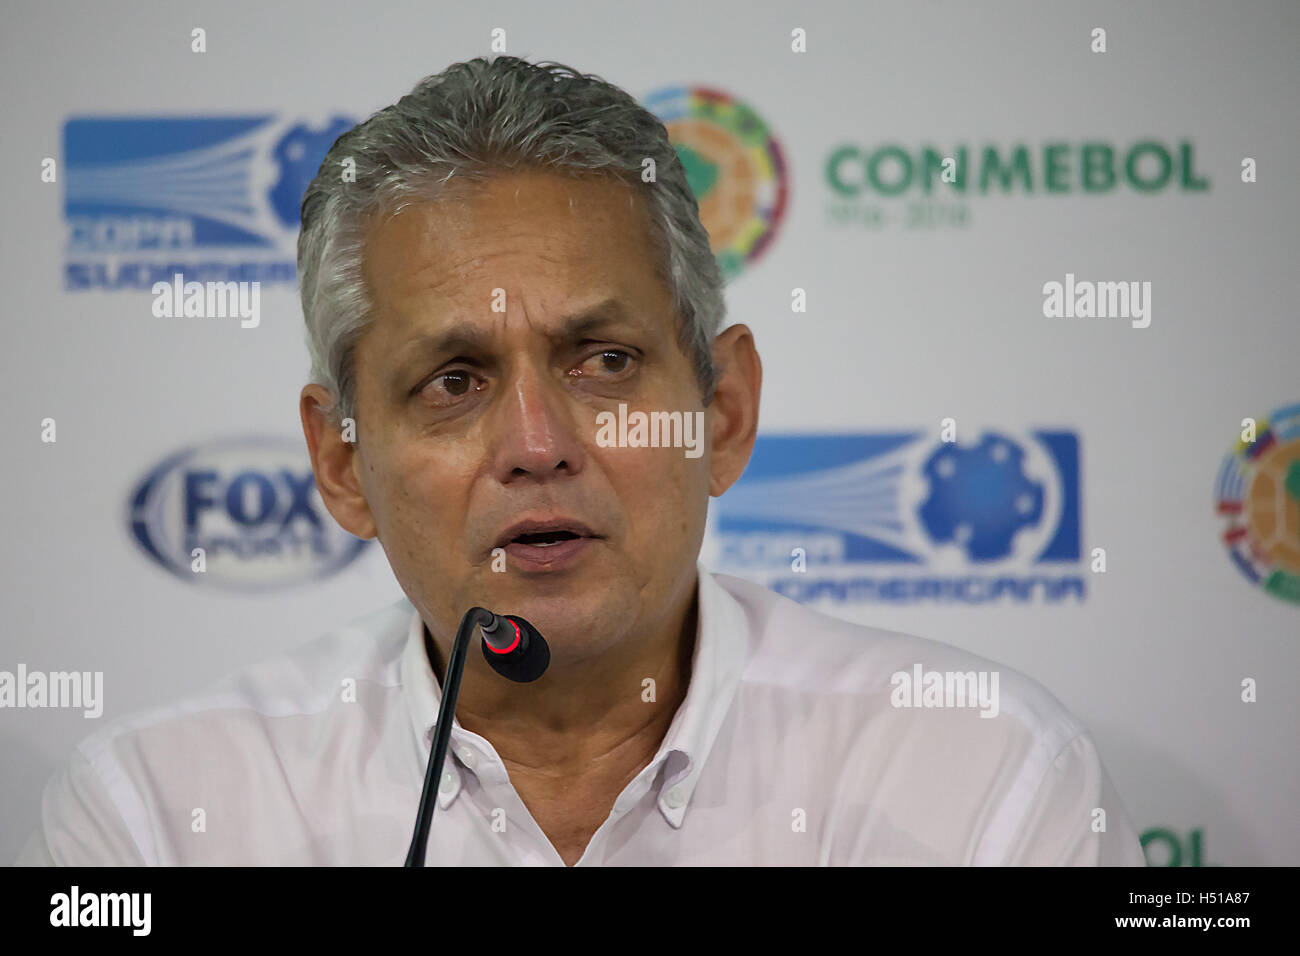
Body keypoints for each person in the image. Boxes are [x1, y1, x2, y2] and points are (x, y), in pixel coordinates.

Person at [16, 55, 1144, 866]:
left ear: (725, 410)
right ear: (343, 462)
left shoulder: (976, 774)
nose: (538, 445)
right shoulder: (157, 819)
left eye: (603, 360)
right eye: (453, 381)